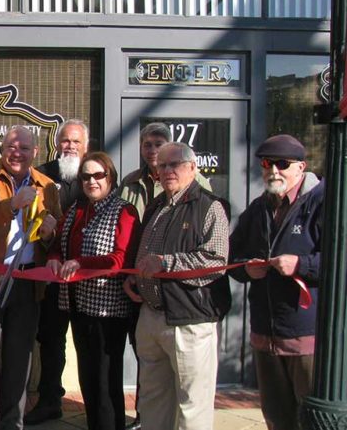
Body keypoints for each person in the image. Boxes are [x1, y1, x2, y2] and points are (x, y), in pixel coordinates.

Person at [123, 142, 231, 430]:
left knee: (192, 405)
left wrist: (166, 263)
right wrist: (135, 276)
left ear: (193, 168)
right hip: (151, 315)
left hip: (189, 320)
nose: (168, 170)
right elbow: (145, 254)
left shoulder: (210, 207)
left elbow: (216, 261)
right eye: (162, 165)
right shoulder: (157, 206)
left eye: (176, 164)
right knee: (152, 400)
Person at [0, 125, 60, 430]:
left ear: (35, 153)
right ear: (2, 150)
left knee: (20, 357)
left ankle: (11, 424)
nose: (17, 153)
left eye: (24, 148)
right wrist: (12, 205)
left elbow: (53, 239)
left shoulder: (48, 186)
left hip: (28, 281)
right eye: (11, 147)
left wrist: (49, 231)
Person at [228, 134, 323, 430]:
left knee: (311, 417)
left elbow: (338, 261)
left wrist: (301, 264)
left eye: (282, 164)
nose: (273, 171)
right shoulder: (259, 207)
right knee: (276, 418)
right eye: (267, 163)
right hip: (265, 334)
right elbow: (233, 254)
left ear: (301, 167)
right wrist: (246, 269)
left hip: (306, 335)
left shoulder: (323, 200)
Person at [46, 152, 139, 430]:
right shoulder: (76, 209)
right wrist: (53, 254)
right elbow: (58, 242)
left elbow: (120, 259)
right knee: (88, 378)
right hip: (77, 305)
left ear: (110, 177)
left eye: (98, 175)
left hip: (108, 308)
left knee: (105, 379)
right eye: (86, 176)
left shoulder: (124, 211)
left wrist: (80, 262)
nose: (92, 181)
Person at [26, 119, 89, 425]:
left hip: (86, 277)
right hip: (49, 273)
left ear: (86, 147)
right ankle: (50, 400)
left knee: (90, 342)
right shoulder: (41, 174)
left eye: (76, 142)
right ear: (56, 143)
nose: (70, 146)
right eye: (65, 141)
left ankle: (97, 406)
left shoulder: (95, 174)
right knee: (50, 340)